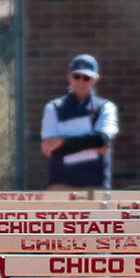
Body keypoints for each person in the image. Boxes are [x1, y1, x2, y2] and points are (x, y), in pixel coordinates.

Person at [40, 54, 119, 190]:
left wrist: (62, 139)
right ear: (69, 77)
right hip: (60, 184)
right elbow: (52, 150)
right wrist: (92, 143)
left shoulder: (105, 107)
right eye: (76, 76)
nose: (81, 81)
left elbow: (101, 139)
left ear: (95, 79)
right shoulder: (53, 108)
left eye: (87, 77)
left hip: (95, 183)